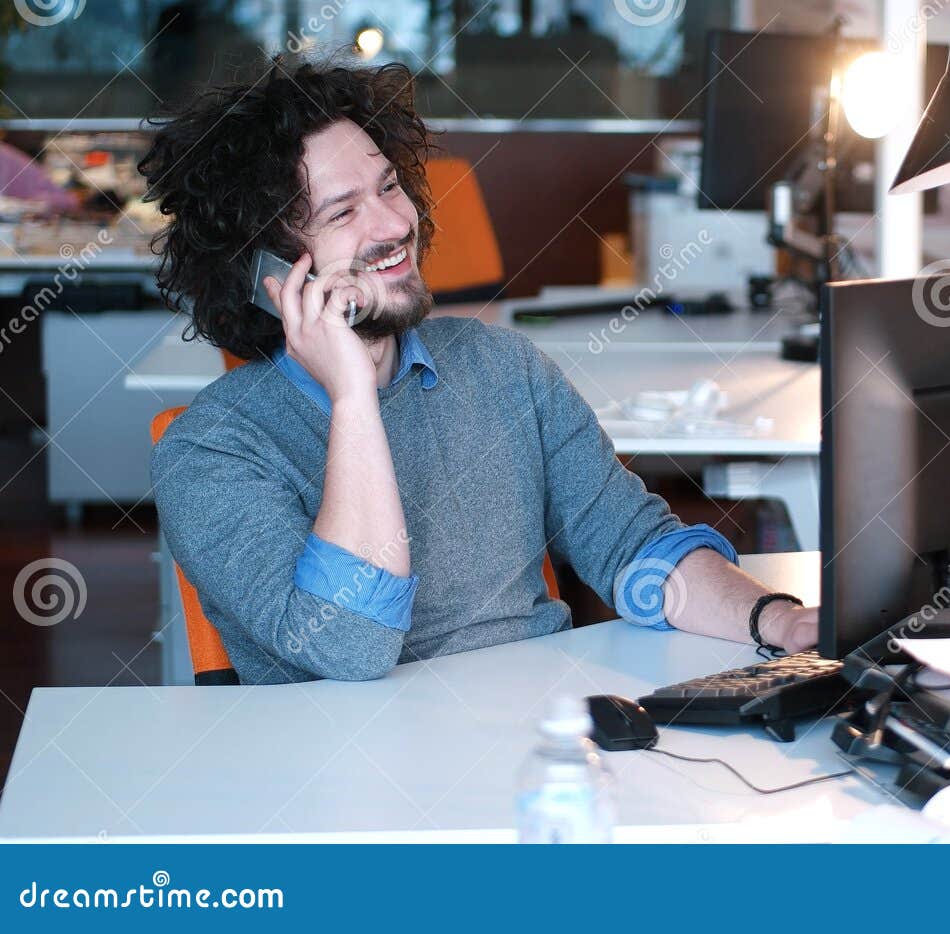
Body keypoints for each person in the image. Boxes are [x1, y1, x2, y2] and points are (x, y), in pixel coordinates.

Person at [138, 57, 817, 684]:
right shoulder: (211, 448)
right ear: (269, 275)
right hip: (348, 788)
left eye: (390, 186)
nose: (394, 222)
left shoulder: (501, 366)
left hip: (535, 747)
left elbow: (633, 544)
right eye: (344, 211)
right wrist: (352, 398)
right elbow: (349, 645)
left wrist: (778, 620)